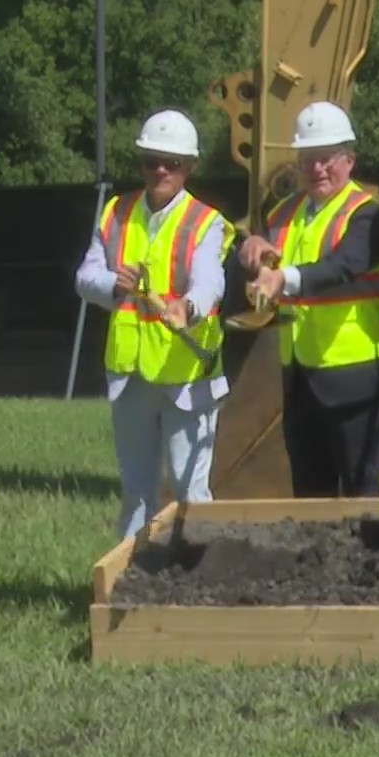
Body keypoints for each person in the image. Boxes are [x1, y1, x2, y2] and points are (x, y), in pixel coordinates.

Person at [73, 110, 231, 539]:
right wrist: (116, 285)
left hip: (185, 375)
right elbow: (85, 278)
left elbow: (210, 280)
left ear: (190, 167)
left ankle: (199, 585)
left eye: (173, 163)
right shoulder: (116, 212)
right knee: (137, 492)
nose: (160, 170)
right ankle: (129, 584)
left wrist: (189, 307)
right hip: (131, 375)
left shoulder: (205, 221)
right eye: (151, 160)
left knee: (189, 491)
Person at [234, 101, 379, 498]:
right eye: (308, 159)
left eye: (326, 159)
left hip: (357, 373)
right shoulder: (284, 212)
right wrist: (251, 245)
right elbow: (262, 258)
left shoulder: (369, 215)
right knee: (310, 494)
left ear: (349, 161)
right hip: (301, 373)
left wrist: (282, 279)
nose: (317, 169)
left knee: (366, 493)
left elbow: (343, 266)